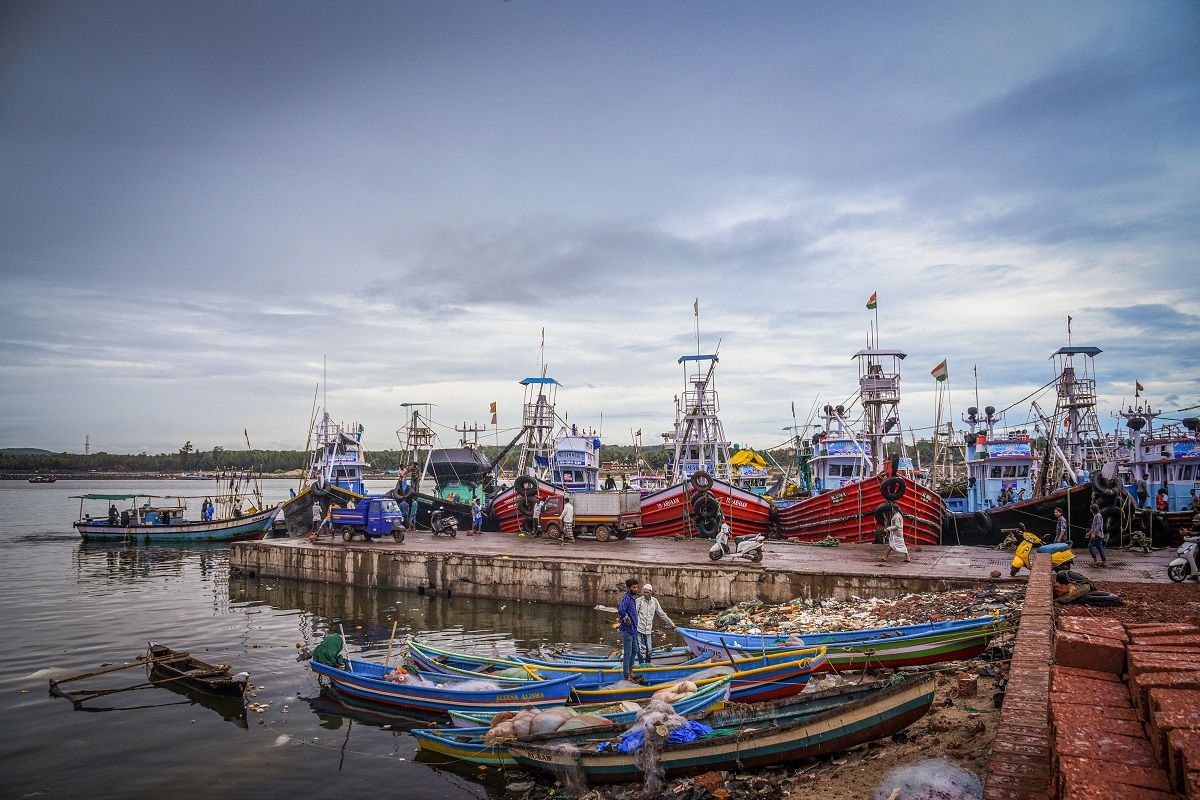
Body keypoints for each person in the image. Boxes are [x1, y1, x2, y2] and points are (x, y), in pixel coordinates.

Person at [635, 583, 676, 665]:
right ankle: (641, 665)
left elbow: (662, 614)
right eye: (644, 592)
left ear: (651, 592)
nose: (646, 594)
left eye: (647, 592)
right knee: (639, 649)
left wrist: (672, 624)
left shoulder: (655, 602)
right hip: (638, 628)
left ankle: (648, 664)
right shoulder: (639, 601)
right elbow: (634, 614)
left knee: (649, 650)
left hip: (648, 629)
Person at [617, 579, 640, 680]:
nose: (635, 589)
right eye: (633, 587)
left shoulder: (632, 598)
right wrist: (626, 618)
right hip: (627, 630)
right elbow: (621, 609)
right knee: (627, 653)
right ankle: (627, 676)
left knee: (635, 650)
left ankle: (631, 671)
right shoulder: (626, 598)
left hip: (633, 629)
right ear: (628, 588)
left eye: (636, 587)